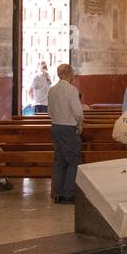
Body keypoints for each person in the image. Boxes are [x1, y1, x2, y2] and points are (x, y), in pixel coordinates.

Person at [47, 64, 84, 203]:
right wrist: (80, 123)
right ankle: (69, 194)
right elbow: (77, 111)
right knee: (74, 160)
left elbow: (49, 111)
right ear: (69, 74)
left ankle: (58, 194)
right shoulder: (71, 90)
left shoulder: (52, 90)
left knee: (59, 161)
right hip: (68, 128)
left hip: (55, 127)